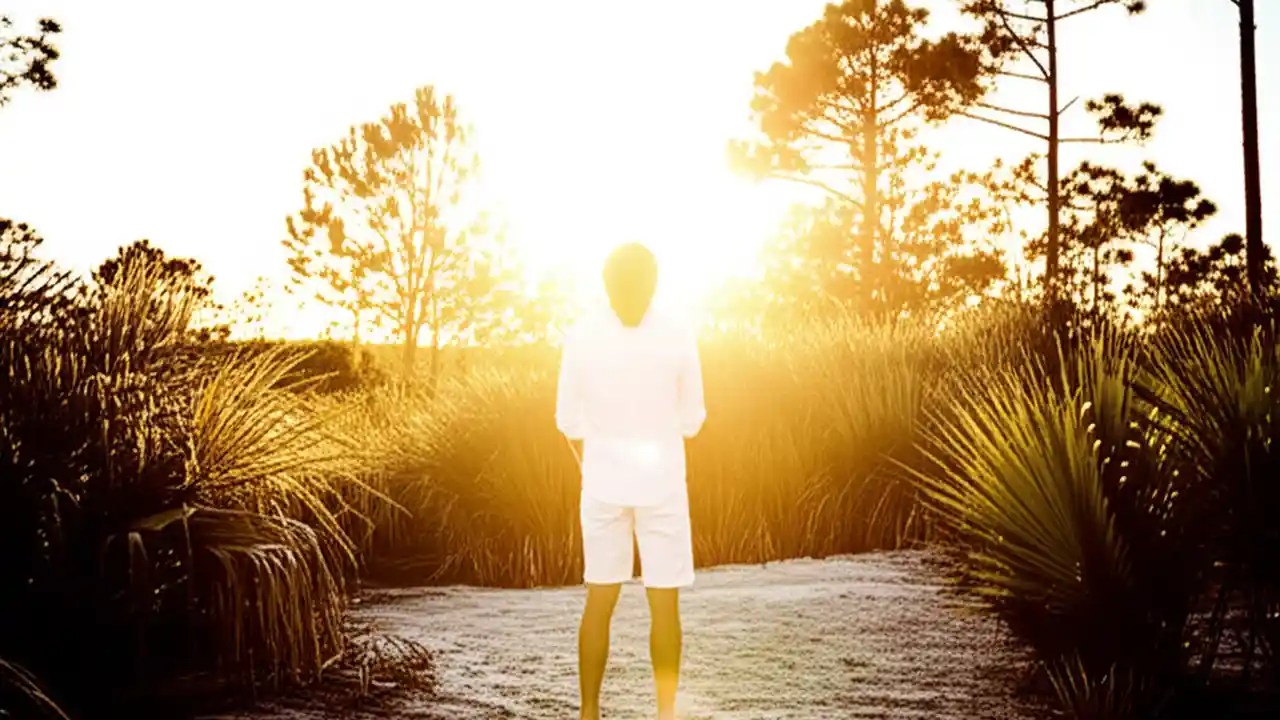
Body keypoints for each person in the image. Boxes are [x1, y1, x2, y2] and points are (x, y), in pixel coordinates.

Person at [555, 242, 706, 720]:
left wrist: (601, 437)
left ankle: (589, 713)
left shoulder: (580, 335)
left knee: (600, 600)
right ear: (655, 284)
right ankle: (665, 714)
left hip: (602, 484)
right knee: (665, 606)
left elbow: (566, 420)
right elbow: (693, 419)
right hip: (662, 484)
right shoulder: (680, 333)